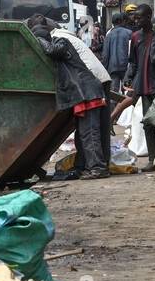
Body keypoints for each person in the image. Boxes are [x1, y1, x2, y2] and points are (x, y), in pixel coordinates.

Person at [29, 14, 112, 180]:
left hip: (87, 91)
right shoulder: (59, 41)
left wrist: (39, 40)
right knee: (85, 134)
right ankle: (89, 166)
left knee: (89, 133)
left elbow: (51, 50)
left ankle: (97, 168)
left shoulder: (61, 41)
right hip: (85, 91)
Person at [122, 3, 155, 165]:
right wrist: (129, 77)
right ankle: (152, 159)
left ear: (148, 18)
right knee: (148, 124)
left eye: (139, 17)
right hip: (143, 85)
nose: (135, 20)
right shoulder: (136, 37)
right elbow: (133, 62)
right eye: (134, 17)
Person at [101, 13, 132, 93]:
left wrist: (104, 69)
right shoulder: (129, 33)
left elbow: (105, 55)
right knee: (127, 91)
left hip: (112, 68)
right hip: (126, 67)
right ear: (120, 21)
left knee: (114, 92)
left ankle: (114, 105)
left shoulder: (109, 35)